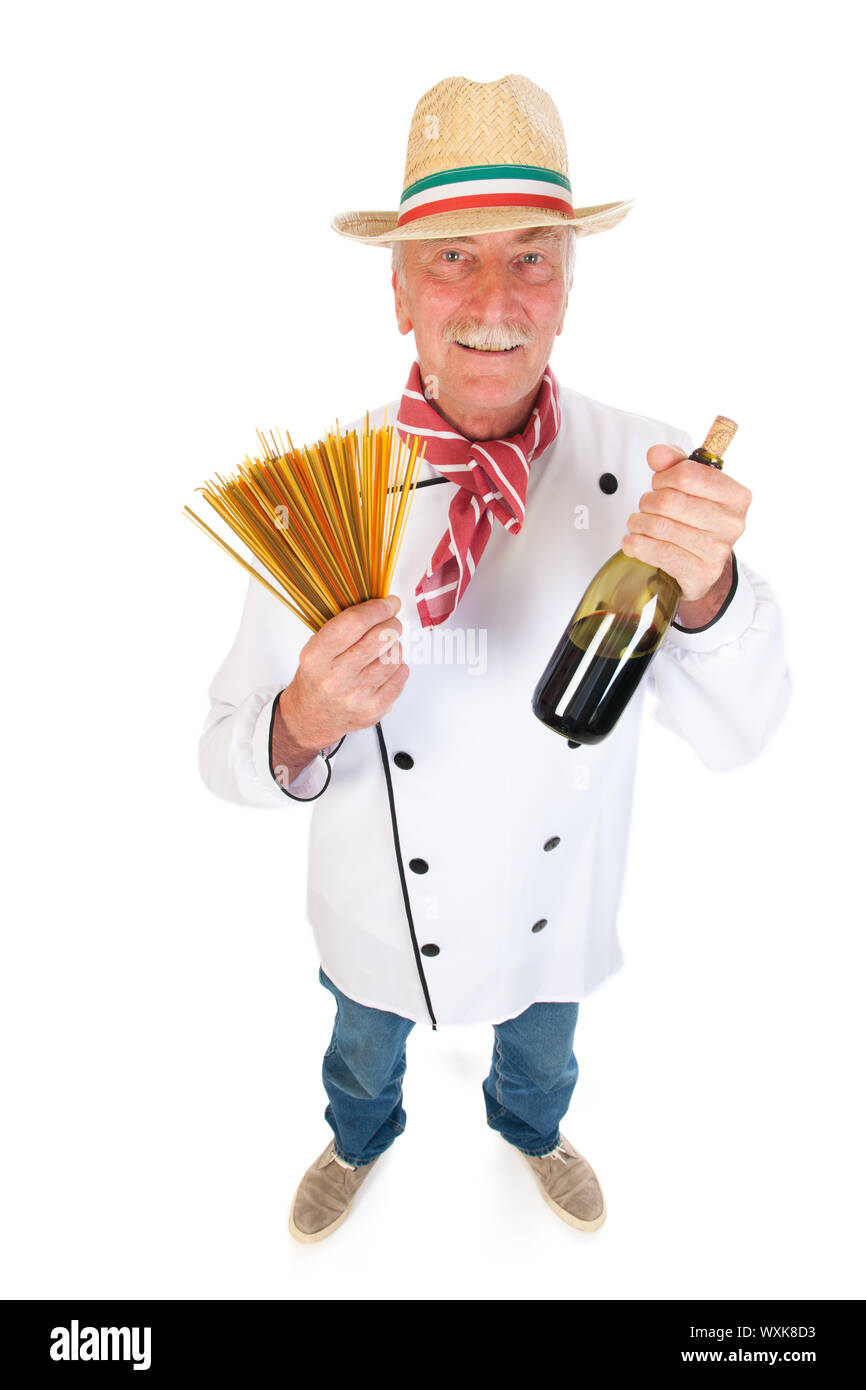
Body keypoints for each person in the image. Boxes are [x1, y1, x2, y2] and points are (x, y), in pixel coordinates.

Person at [197, 75, 791, 1243]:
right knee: (360, 1050)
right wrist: (299, 724)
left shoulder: (654, 472)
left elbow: (743, 735)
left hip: (549, 905)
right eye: (450, 259)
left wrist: (710, 589)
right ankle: (358, 1136)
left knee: (543, 1052)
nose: (492, 299)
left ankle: (529, 1130)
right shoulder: (321, 493)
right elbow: (220, 754)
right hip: (379, 914)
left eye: (529, 257)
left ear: (567, 291)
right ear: (399, 292)